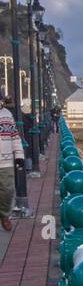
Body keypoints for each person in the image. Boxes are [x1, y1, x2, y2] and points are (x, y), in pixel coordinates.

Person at [0, 97, 24, 232]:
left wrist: (19, 156)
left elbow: (15, 136)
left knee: (8, 191)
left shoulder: (7, 115)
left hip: (6, 161)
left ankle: (4, 214)